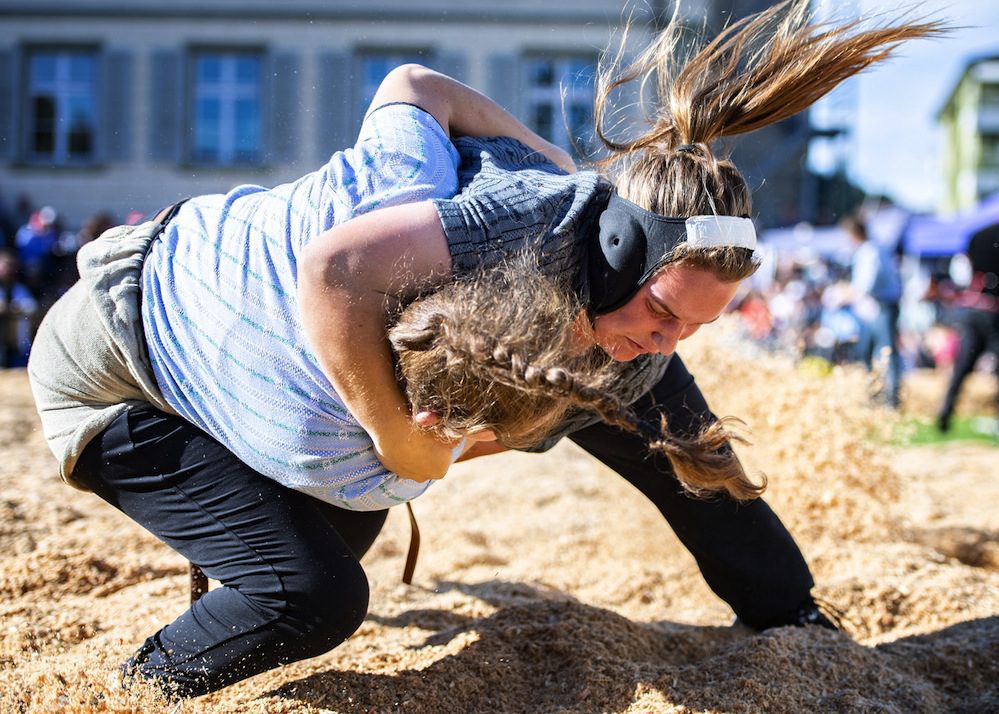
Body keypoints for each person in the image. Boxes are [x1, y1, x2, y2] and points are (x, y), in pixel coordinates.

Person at [27, 0, 942, 698]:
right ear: (613, 251)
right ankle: (123, 693)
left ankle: (786, 603)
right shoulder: (469, 229)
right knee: (313, 593)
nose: (667, 341)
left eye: (695, 328)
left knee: (657, 427)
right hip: (120, 357)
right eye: (664, 312)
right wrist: (394, 439)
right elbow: (338, 257)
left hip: (277, 358)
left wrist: (790, 617)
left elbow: (689, 455)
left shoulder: (623, 312)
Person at [936, 221, 999, 432]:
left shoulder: (978, 235)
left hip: (972, 310)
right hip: (994, 312)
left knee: (962, 365)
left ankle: (945, 411)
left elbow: (961, 272)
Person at [843, 214, 904, 406]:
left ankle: (889, 401)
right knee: (873, 352)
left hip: (882, 307)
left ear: (854, 234)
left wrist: (842, 294)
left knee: (885, 352)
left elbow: (864, 286)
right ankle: (878, 397)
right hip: (879, 307)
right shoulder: (874, 249)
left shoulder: (869, 252)